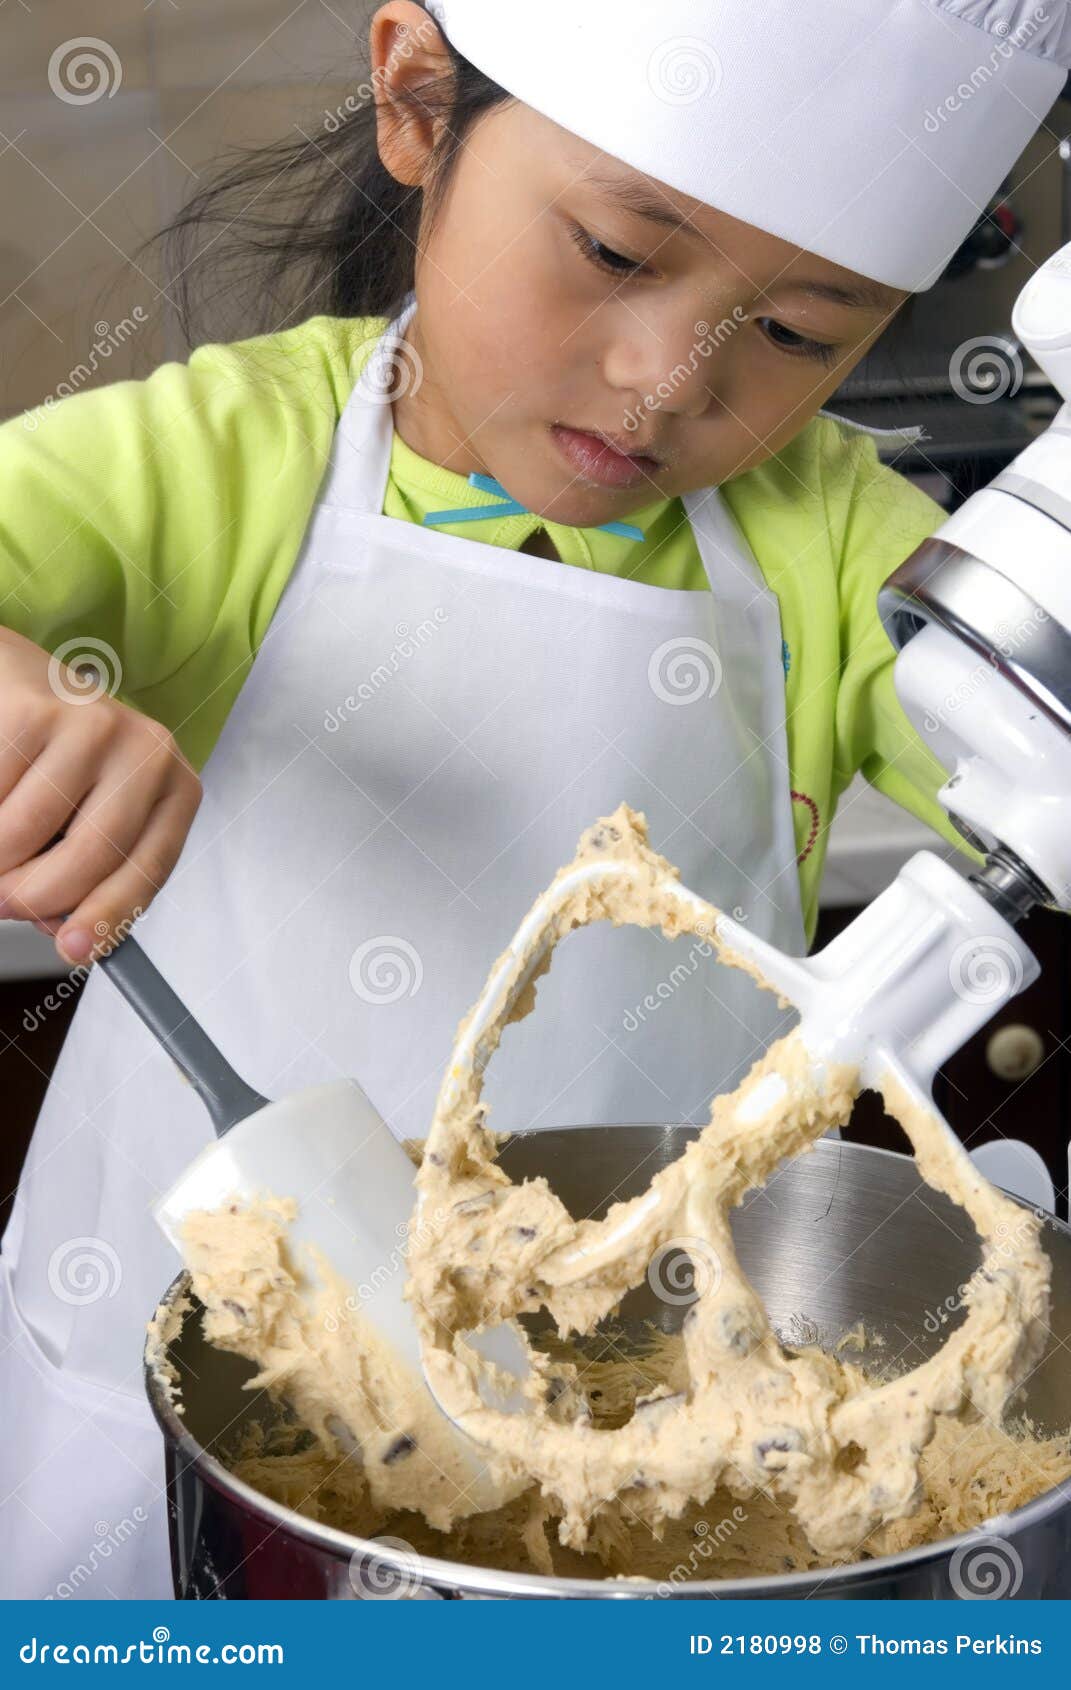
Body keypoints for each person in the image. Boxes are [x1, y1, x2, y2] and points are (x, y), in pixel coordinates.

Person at [1, 0, 1066, 1599]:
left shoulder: (838, 545)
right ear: (418, 102)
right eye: (621, 256)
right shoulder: (218, 466)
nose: (663, 383)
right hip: (198, 1447)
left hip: (674, 1430)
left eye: (795, 332)